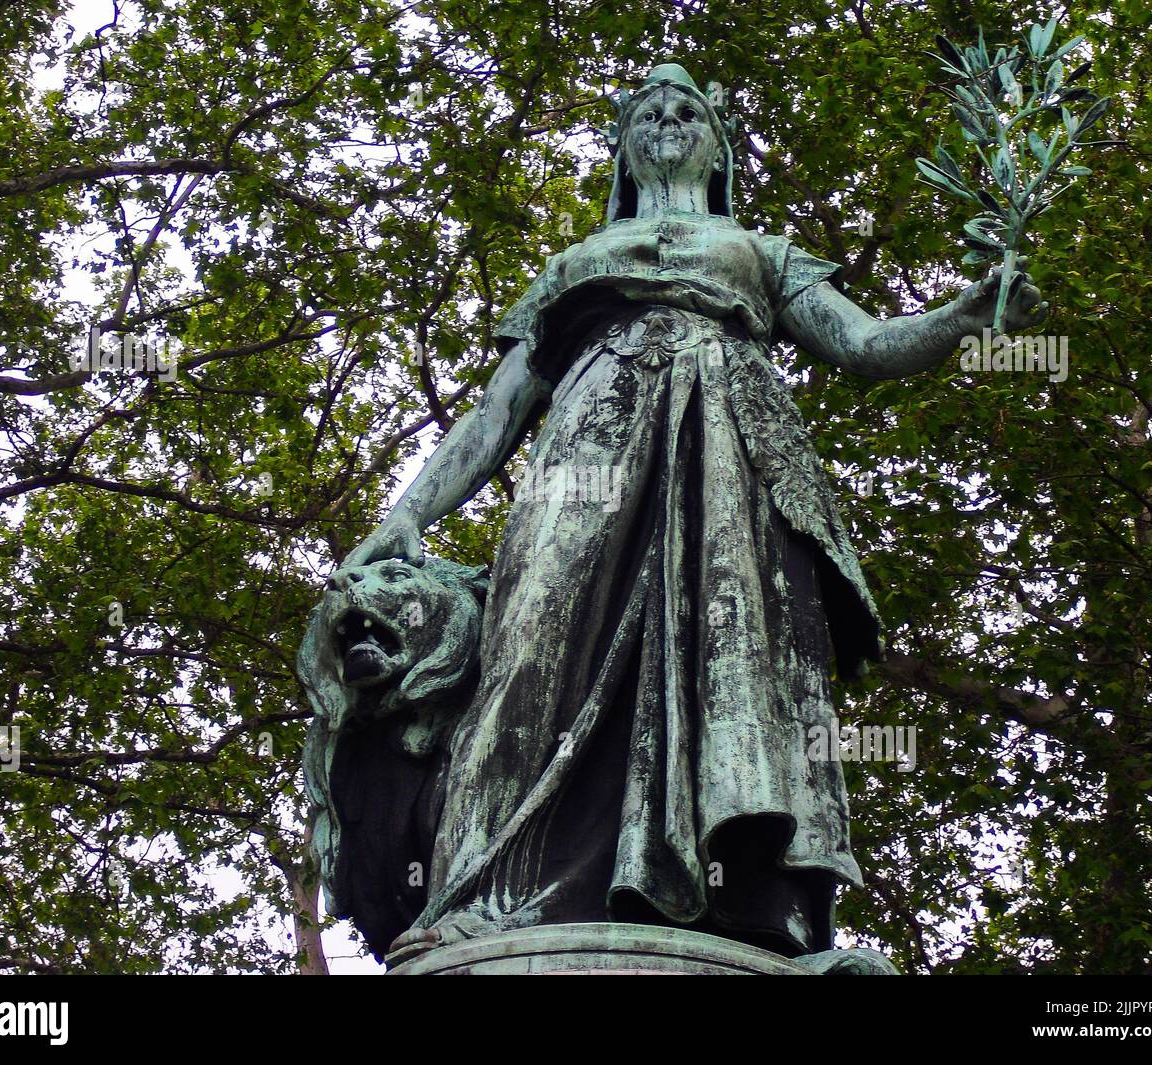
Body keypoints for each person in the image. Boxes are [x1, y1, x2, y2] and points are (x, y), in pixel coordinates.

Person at [332, 62, 1046, 962]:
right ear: (623, 151)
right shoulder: (570, 266)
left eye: (688, 107)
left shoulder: (761, 252)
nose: (668, 118)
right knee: (529, 655)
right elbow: (495, 414)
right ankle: (482, 888)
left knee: (735, 664)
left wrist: (968, 312)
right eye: (646, 112)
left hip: (728, 459)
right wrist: (406, 515)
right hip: (586, 448)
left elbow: (867, 345)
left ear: (719, 145)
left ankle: (747, 905)